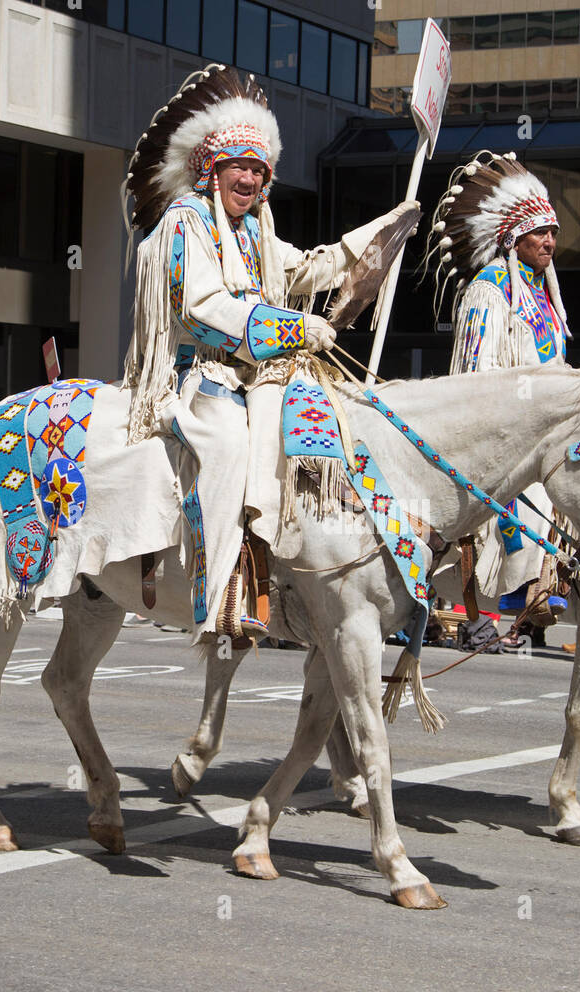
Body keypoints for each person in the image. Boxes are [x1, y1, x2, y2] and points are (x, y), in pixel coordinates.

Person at [123, 64, 418, 643]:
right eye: (241, 166)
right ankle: (223, 587)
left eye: (260, 170)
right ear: (212, 169)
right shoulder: (183, 223)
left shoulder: (255, 230)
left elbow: (307, 267)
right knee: (232, 443)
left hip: (252, 374)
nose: (252, 179)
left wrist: (378, 235)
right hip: (194, 378)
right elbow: (202, 309)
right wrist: (294, 329)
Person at [426, 152, 573, 645]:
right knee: (519, 503)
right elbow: (478, 376)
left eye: (553, 231)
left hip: (547, 430)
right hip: (506, 432)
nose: (549, 241)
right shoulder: (489, 291)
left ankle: (553, 588)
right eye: (539, 233)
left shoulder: (545, 296)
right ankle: (504, 595)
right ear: (514, 239)